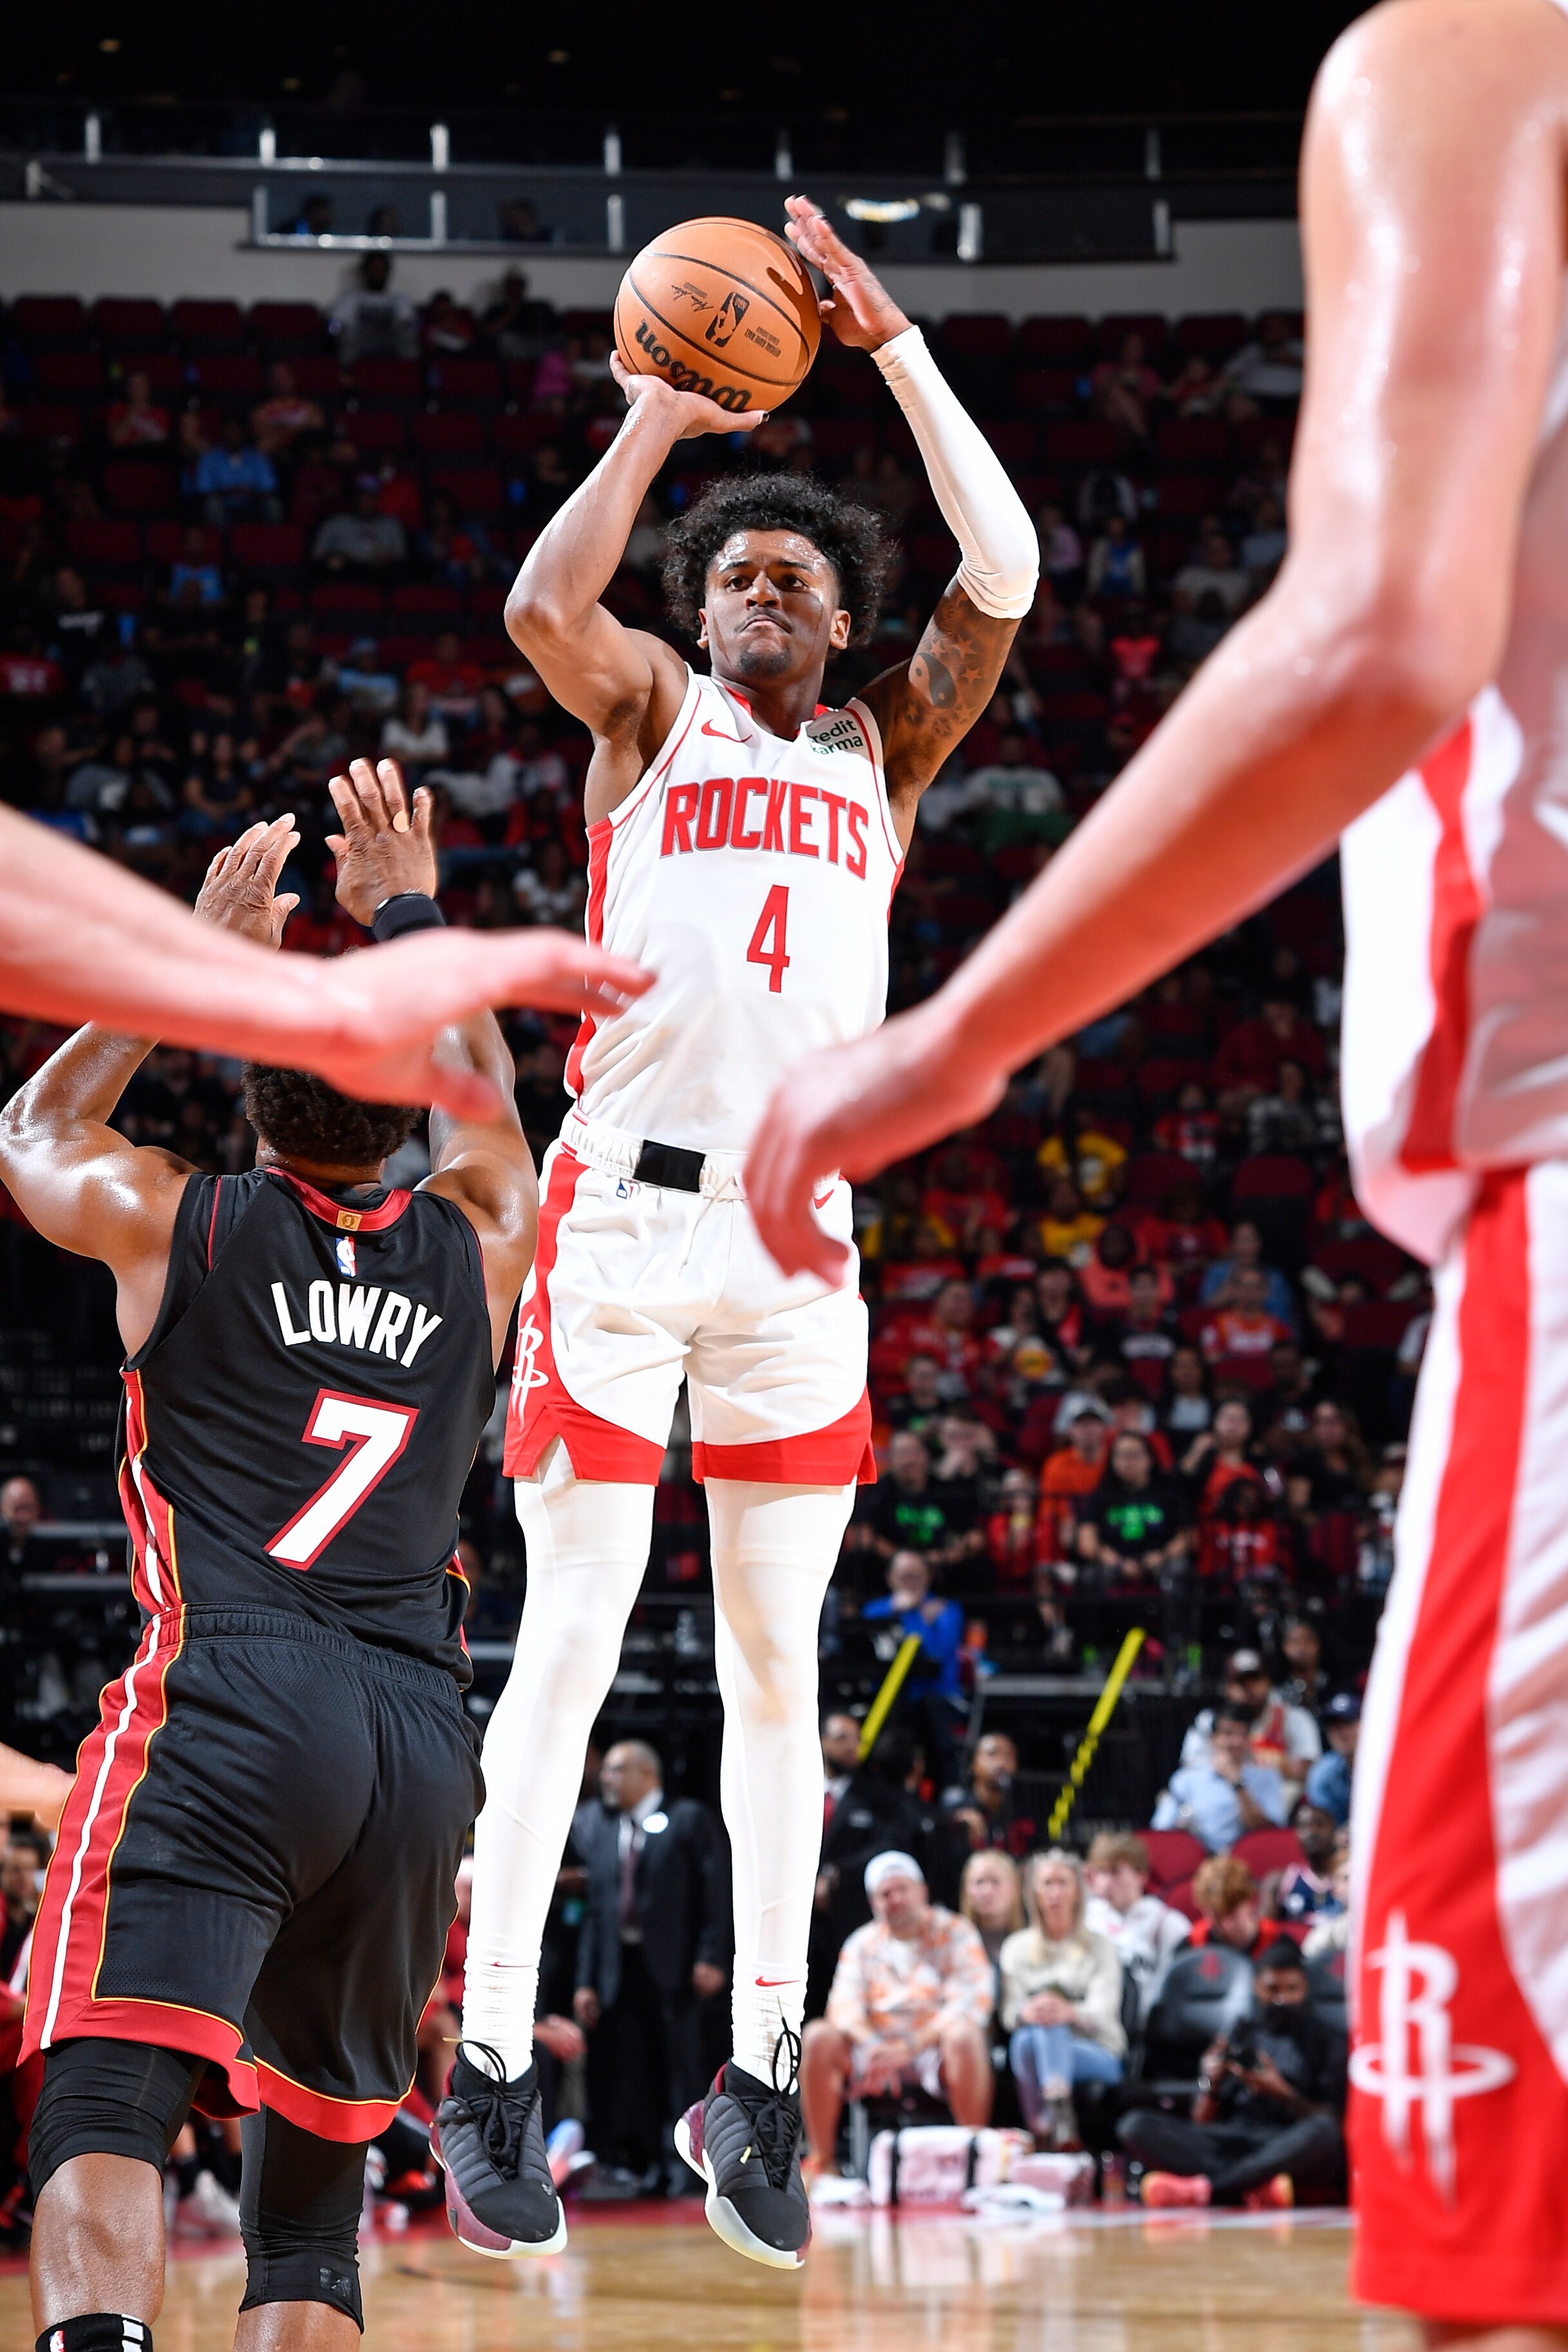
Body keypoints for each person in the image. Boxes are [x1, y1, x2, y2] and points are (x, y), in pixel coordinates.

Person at [459, 190, 1037, 2271]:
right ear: (700, 623)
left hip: (802, 1252)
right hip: (622, 1227)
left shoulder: (887, 744)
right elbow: (543, 604)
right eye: (732, 578)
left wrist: (895, 353)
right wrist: (655, 421)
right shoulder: (647, 719)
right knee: (570, 1638)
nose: (758, 591)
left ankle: (761, 2077)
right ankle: (491, 2064)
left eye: (793, 575)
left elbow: (1005, 572)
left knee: (782, 1673)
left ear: (839, 616)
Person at [0, 776, 540, 2346]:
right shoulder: (478, 1241)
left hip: (234, 1694)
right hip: (415, 1739)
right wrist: (412, 915)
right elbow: (496, 1111)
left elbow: (34, 1130)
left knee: (104, 2086)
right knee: (310, 2214)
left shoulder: (180, 1218)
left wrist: (190, 955)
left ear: (249, 1086)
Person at [570, 1741, 730, 2197]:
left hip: (677, 1969)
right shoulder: (605, 1828)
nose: (607, 1778)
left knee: (683, 2068)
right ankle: (648, 2166)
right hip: (621, 1968)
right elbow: (597, 1910)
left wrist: (713, 1956)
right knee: (634, 2071)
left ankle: (691, 2166)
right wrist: (585, 1980)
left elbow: (716, 1893)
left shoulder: (688, 1818)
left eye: (617, 1770)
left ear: (647, 1773)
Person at [801, 1851, 993, 2173]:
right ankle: (823, 2161)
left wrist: (910, 2047)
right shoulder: (861, 1943)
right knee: (818, 2036)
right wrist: (876, 2046)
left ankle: (973, 2159)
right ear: (873, 1903)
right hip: (876, 2050)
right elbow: (843, 2008)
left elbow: (971, 2002)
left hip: (933, 2047)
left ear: (922, 1891)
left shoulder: (956, 1931)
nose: (895, 1900)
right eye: (885, 1894)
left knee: (966, 2036)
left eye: (903, 1889)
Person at [1121, 1938, 1345, 2211]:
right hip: (1232, 2137)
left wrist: (1282, 2092)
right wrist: (1211, 2082)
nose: (1281, 1999)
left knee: (1324, 2133)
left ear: (1306, 1988)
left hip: (1285, 2140)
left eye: (1291, 1989)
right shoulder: (1240, 2033)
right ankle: (1255, 2185)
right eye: (1272, 1989)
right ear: (1256, 1986)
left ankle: (1211, 2190)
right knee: (1135, 2126)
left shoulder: (1326, 2041)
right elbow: (1201, 2121)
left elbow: (1332, 2119)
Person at [1000, 1850, 1124, 2148]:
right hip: (1035, 2046)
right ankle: (1057, 2124)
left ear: (1078, 1890)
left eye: (1063, 1883)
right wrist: (1026, 2012)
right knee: (1027, 2038)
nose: (1054, 1893)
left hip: (1098, 2049)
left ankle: (1043, 2128)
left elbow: (1104, 2013)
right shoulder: (1016, 1947)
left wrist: (1068, 2012)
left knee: (1049, 2023)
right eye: (1047, 1884)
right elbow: (1009, 2013)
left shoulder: (1101, 1946)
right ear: (1034, 1892)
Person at [810, 1714, 921, 2017]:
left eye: (856, 1739)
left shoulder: (877, 1795)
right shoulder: (799, 1789)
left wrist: (838, 1876)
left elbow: (888, 1845)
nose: (852, 1746)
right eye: (842, 1738)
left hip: (852, 1911)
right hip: (805, 1921)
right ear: (821, 1741)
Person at [1084, 1831, 1190, 2023]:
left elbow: (1173, 1991)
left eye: (1115, 1872)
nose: (1106, 1883)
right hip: (1093, 2020)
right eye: (1100, 1872)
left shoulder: (1165, 1922)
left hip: (1144, 2024)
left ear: (1141, 1876)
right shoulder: (1087, 1918)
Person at [1153, 1705, 1288, 1853]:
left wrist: (1237, 1783)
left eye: (1242, 1734)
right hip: (1199, 1857)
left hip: (1249, 1857)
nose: (1236, 1741)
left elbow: (1270, 1834)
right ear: (1213, 1738)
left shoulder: (1267, 1776)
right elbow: (1161, 1829)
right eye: (1228, 1734)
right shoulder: (1186, 1779)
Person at [1305, 1693, 1359, 1828]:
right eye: (1333, 1726)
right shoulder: (1322, 1772)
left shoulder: (1387, 1765)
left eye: (1347, 1723)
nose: (1340, 1733)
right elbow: (1323, 1826)